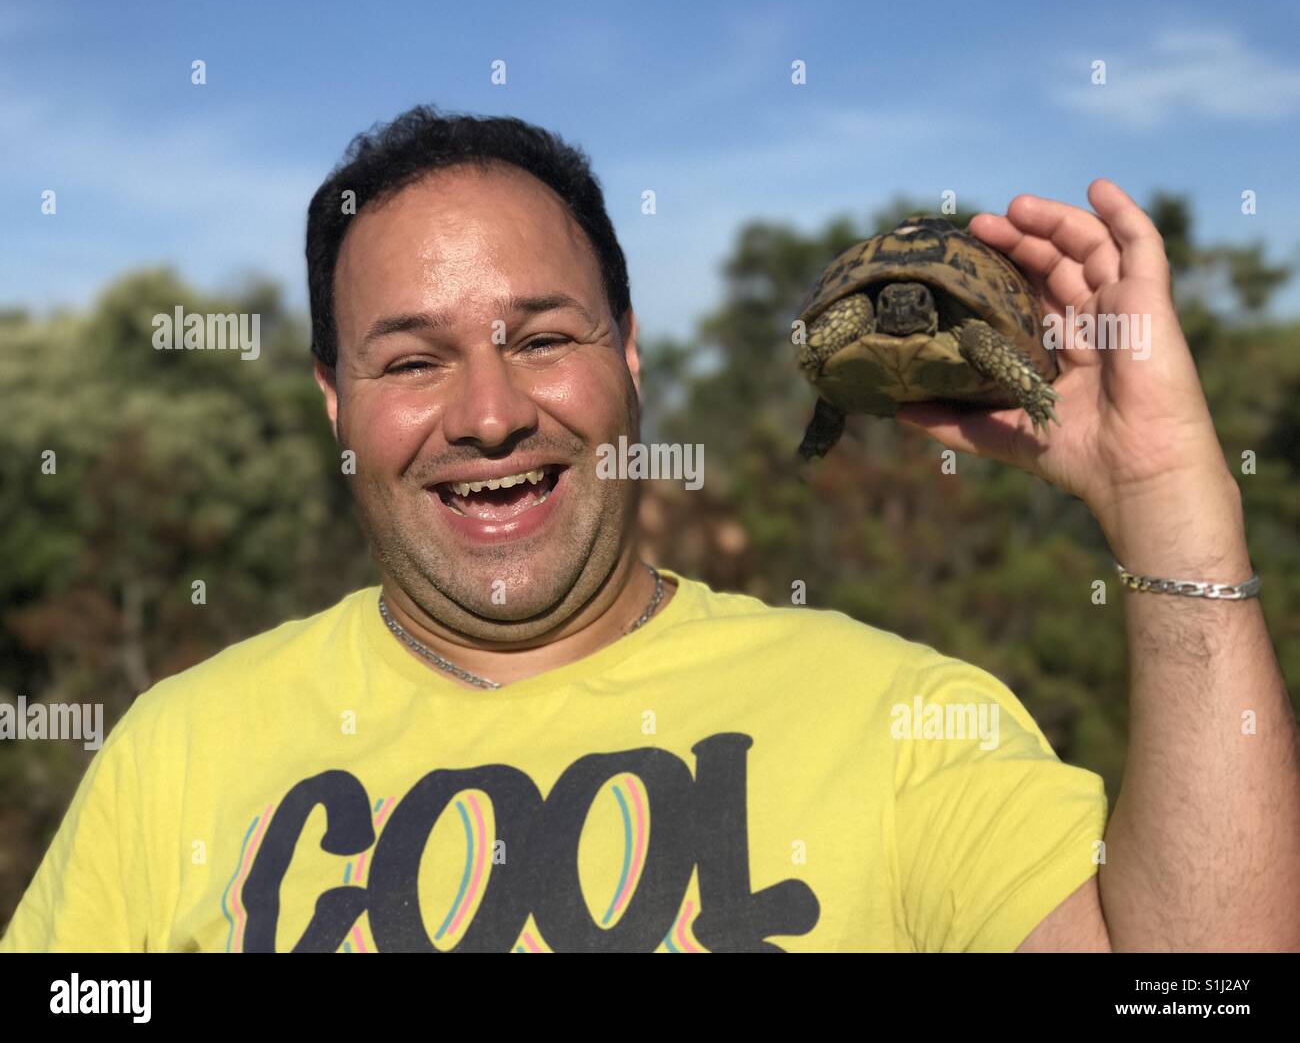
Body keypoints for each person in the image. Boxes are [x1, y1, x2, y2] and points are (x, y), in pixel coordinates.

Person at [3, 106, 1295, 953]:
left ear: (629, 358)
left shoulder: (900, 717)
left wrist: (1173, 506)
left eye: (545, 338)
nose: (491, 412)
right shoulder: (178, 746)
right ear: (338, 405)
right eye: (411, 360)